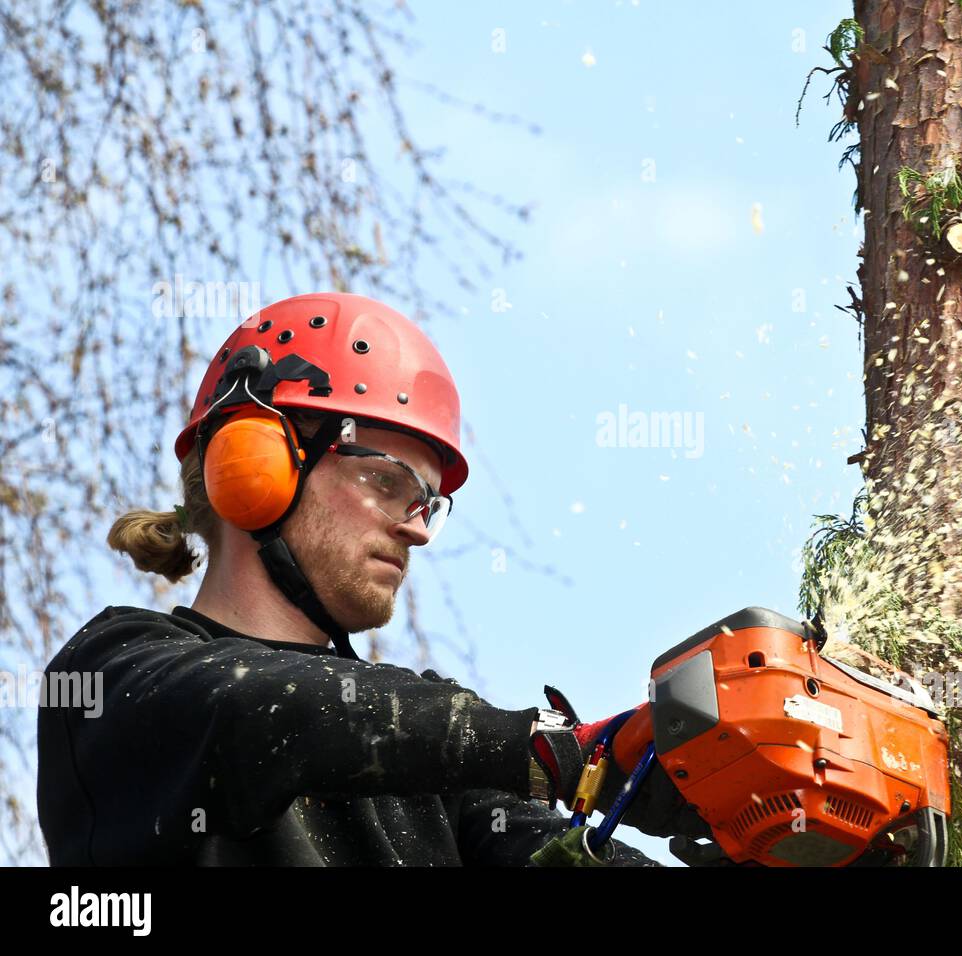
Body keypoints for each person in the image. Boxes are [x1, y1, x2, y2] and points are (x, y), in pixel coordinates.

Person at [37, 292, 703, 866]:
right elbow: (262, 710)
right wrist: (551, 748)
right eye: (387, 482)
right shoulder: (116, 675)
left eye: (427, 503)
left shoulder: (432, 771)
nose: (415, 528)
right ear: (254, 463)